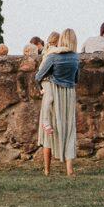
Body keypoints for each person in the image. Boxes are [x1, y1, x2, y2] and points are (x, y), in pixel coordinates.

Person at [35, 28, 80, 176]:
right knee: (68, 130)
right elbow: (76, 79)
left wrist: (41, 87)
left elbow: (39, 75)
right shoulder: (75, 58)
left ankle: (47, 170)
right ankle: (69, 170)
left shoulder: (53, 56)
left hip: (54, 93)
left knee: (49, 131)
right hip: (69, 96)